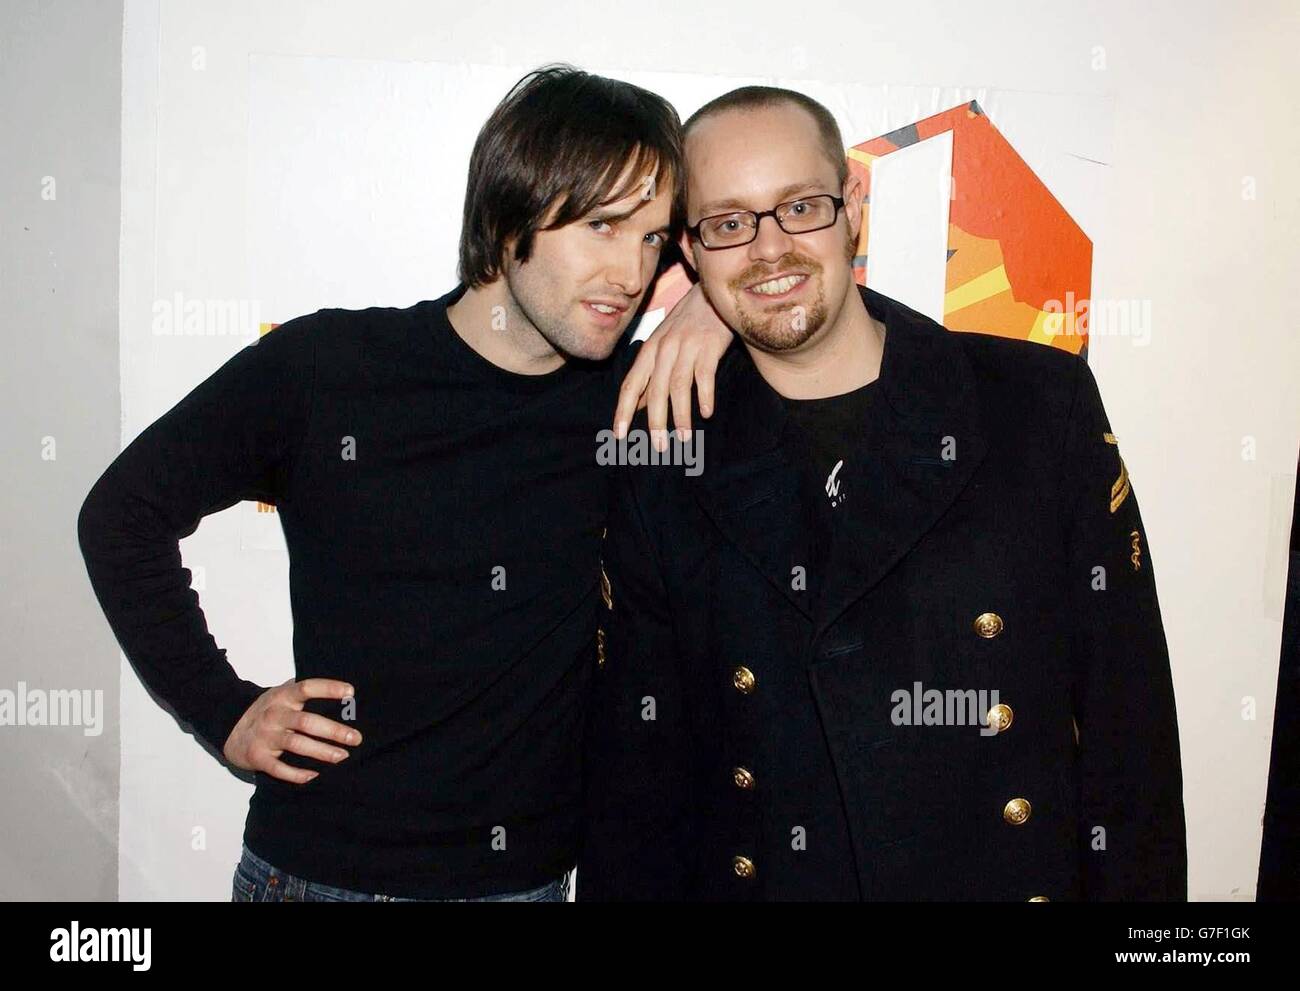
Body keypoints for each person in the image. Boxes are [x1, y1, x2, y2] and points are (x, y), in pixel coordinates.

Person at [77, 65, 732, 903]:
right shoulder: (327, 370)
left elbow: (840, 343)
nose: (631, 272)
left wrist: (719, 304)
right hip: (316, 876)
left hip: (524, 885)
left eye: (652, 238)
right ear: (507, 220)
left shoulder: (641, 397)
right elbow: (122, 514)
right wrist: (223, 710)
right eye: (603, 226)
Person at [579, 85, 1187, 901]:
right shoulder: (664, 446)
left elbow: (1129, 723)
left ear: (853, 207)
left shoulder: (1037, 404)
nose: (768, 250)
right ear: (692, 253)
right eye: (729, 223)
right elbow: (639, 782)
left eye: (799, 207)